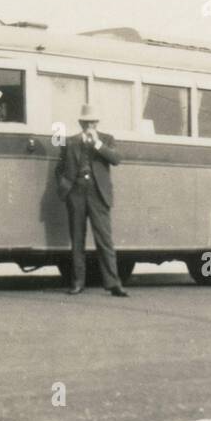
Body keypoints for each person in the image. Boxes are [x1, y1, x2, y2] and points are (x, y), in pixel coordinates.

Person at [56, 104, 128, 297]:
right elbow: (60, 168)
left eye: (93, 122)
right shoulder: (70, 142)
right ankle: (78, 283)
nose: (90, 125)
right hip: (76, 192)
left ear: (97, 123)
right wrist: (66, 189)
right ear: (81, 123)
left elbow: (116, 159)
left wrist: (97, 144)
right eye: (87, 122)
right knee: (77, 240)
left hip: (98, 193)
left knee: (104, 240)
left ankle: (113, 283)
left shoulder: (106, 139)